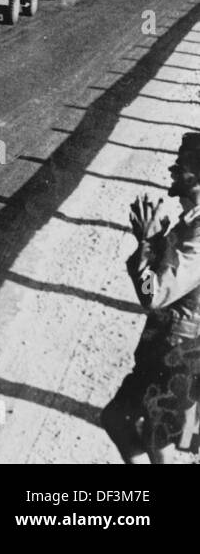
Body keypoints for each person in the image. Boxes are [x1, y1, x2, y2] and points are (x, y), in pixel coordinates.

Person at [103, 133, 200, 464]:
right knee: (118, 418)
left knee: (155, 436)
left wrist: (146, 244)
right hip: (167, 343)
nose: (173, 169)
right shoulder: (191, 222)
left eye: (182, 165)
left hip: (179, 350)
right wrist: (156, 240)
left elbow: (154, 294)